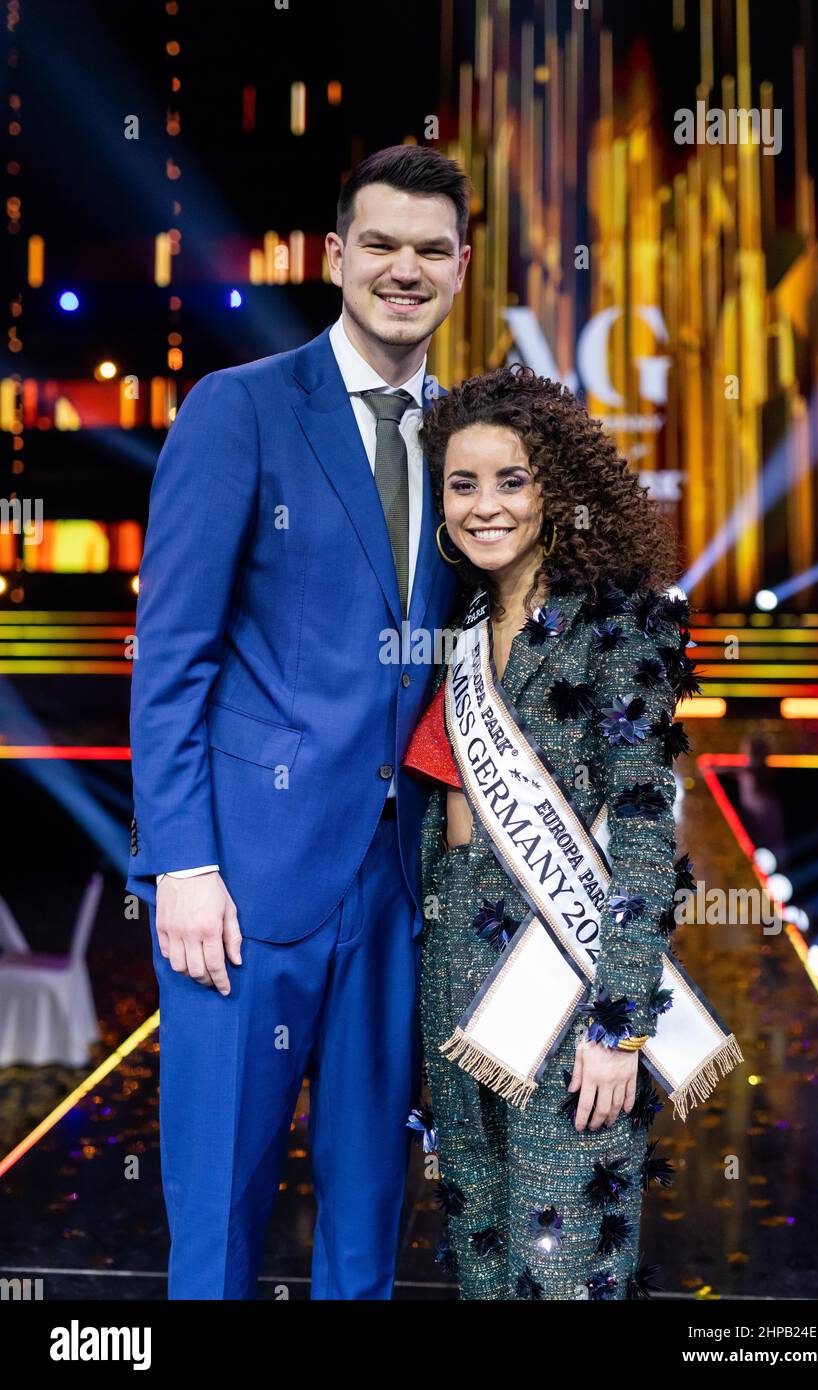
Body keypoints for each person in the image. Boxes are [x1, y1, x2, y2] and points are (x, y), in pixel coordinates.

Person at [126, 145, 471, 1299]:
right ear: (336, 256)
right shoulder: (242, 410)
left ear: (462, 267)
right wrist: (180, 861)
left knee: (368, 1226)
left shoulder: (469, 446)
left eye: (431, 249)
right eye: (380, 244)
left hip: (398, 889)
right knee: (219, 1223)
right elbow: (172, 655)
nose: (404, 269)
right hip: (244, 887)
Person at [403, 364, 742, 1300]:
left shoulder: (616, 623)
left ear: (557, 489)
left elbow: (641, 830)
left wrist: (619, 1024)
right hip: (453, 982)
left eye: (510, 480)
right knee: (480, 1257)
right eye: (462, 484)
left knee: (564, 1270)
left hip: (568, 983)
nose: (484, 507)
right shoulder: (460, 619)